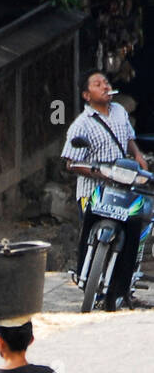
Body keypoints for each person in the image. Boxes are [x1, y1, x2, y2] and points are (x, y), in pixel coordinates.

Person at [62, 68, 149, 296]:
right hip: (94, 191)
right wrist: (96, 171)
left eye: (106, 82)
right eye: (98, 84)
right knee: (91, 234)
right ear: (86, 95)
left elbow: (129, 138)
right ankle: (86, 276)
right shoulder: (81, 124)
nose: (105, 87)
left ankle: (124, 283)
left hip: (124, 186)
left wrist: (138, 156)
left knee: (133, 228)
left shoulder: (120, 111)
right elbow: (70, 163)